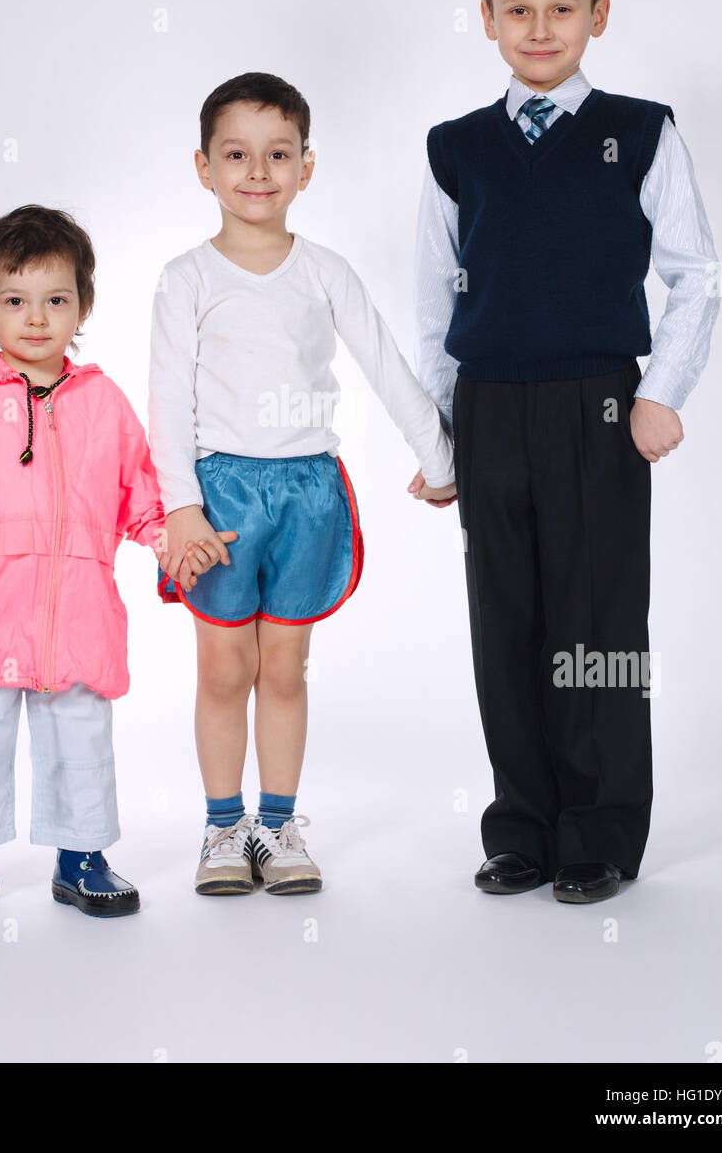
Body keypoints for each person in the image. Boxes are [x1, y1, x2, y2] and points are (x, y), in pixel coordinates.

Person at [411, 0, 720, 903]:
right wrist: (439, 434)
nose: (537, 28)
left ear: (596, 13)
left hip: (598, 404)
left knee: (592, 618)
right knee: (505, 617)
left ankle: (595, 831)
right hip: (488, 404)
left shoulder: (638, 130)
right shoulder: (454, 148)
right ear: (486, 18)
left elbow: (693, 273)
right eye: (517, 10)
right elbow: (431, 299)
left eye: (559, 8)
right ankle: (523, 827)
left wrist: (657, 392)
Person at [148, 72, 456, 896]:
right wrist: (179, 508)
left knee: (283, 668)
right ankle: (223, 829)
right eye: (237, 154)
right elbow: (166, 401)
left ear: (305, 168)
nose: (257, 171)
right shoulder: (187, 279)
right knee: (223, 669)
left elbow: (385, 363)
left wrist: (440, 457)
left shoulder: (324, 270)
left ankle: (278, 827)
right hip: (219, 500)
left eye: (277, 154)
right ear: (203, 166)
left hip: (308, 492)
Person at [0, 205, 165, 920]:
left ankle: (81, 855)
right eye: (15, 301)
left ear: (83, 306)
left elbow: (141, 492)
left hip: (76, 608)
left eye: (56, 300)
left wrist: (173, 545)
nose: (36, 319)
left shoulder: (104, 403)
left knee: (81, 732)